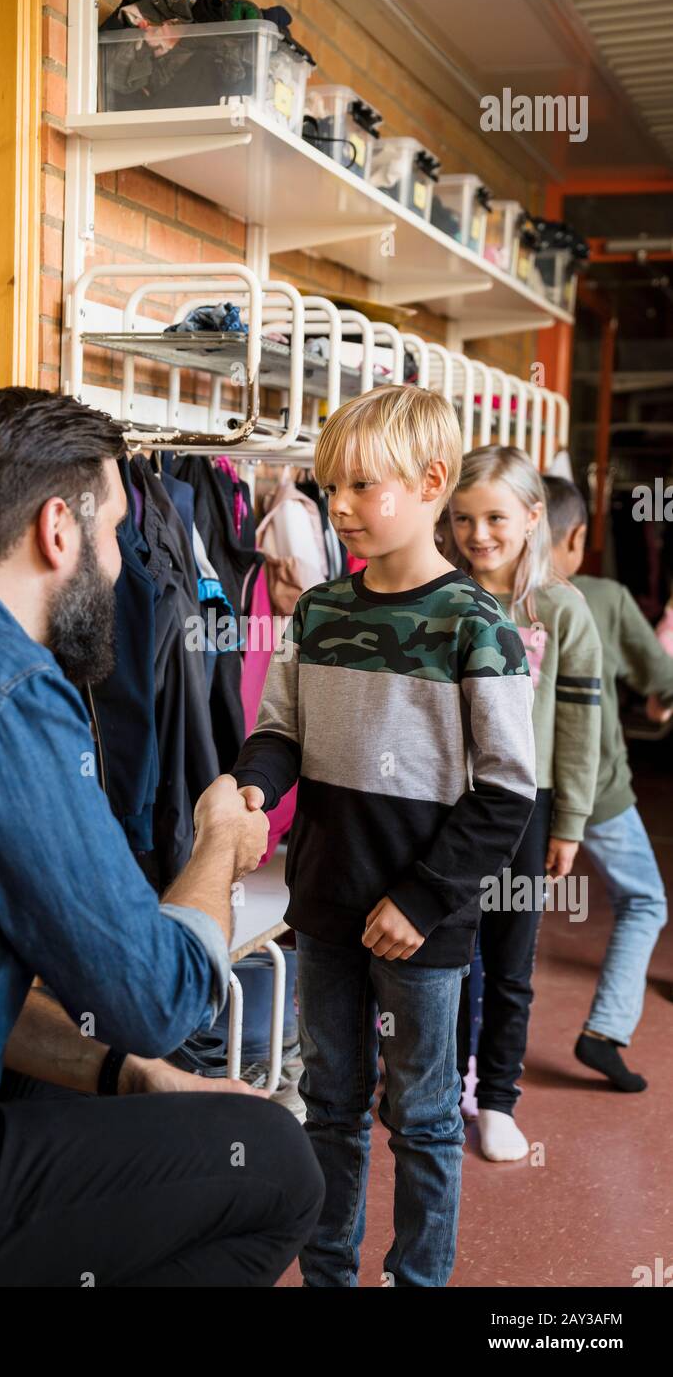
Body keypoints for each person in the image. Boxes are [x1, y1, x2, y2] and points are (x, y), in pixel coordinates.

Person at [0, 387, 324, 1288]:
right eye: (117, 534)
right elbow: (160, 999)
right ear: (58, 529)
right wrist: (215, 849)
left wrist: (128, 1075)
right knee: (273, 1163)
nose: (124, 568)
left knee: (83, 1088)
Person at [229, 386, 537, 1287]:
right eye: (330, 490)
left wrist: (421, 898)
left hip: (420, 925)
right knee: (327, 1106)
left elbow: (506, 794)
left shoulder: (476, 628)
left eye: (362, 486)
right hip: (322, 910)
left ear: (431, 481)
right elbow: (279, 732)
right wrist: (252, 786)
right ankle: (328, 1276)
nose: (341, 508)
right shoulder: (320, 611)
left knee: (425, 1117)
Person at [446, 446, 602, 1161]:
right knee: (443, 953)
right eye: (463, 519)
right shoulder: (440, 597)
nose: (478, 534)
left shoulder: (562, 610)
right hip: (446, 801)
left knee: (508, 963)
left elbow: (580, 725)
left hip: (522, 806)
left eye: (495, 518)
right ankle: (442, 1088)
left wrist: (567, 821)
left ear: (531, 518)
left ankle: (498, 1100)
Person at [545, 474, 672, 1091]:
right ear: (575, 537)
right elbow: (661, 681)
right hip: (596, 788)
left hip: (515, 794)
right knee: (644, 900)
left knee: (497, 918)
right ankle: (604, 1031)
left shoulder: (480, 599)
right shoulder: (603, 596)